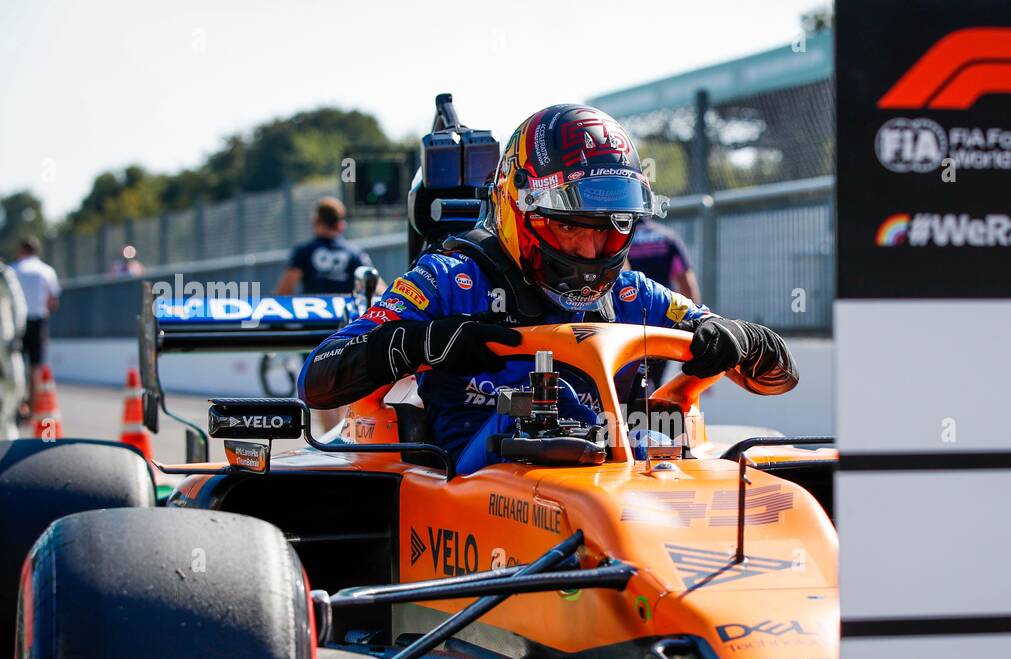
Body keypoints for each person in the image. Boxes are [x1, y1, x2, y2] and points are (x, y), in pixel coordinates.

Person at [299, 103, 797, 474]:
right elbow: (317, 381)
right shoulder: (451, 279)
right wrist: (424, 343)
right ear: (523, 213)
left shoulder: (630, 294)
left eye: (609, 226)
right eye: (570, 225)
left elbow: (780, 377)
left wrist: (735, 336)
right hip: (482, 504)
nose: (589, 248)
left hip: (626, 503)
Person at [626, 218, 702, 389]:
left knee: (627, 389)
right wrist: (696, 329)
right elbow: (687, 285)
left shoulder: (620, 237)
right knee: (658, 387)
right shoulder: (668, 237)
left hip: (628, 324)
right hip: (664, 323)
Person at [273, 197, 379, 296]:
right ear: (340, 225)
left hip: (314, 313)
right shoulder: (355, 254)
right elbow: (377, 288)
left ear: (315, 221)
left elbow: (284, 292)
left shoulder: (303, 252)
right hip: (348, 314)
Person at [11, 236, 60, 419]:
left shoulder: (13, 269)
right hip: (38, 321)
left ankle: (16, 403)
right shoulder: (47, 271)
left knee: (15, 362)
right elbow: (53, 301)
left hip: (17, 322)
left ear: (22, 250)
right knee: (36, 365)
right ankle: (33, 405)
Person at [0, 258, 27, 439]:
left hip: (4, 338)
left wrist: (17, 333)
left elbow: (19, 303)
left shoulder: (4, 274)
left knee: (15, 381)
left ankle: (7, 421)